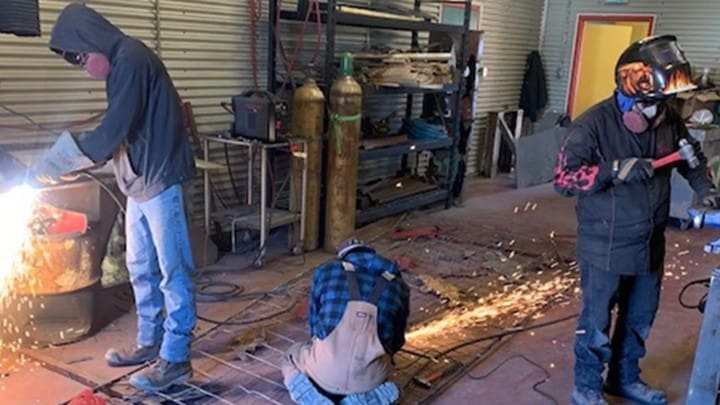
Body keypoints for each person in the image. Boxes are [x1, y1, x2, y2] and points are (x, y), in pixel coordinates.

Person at [31, 3, 197, 392]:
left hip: (160, 179)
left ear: (93, 40)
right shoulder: (121, 65)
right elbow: (122, 131)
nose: (85, 68)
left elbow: (113, 129)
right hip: (139, 182)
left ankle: (176, 359)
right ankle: (150, 341)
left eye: (82, 58)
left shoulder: (132, 58)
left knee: (174, 271)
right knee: (139, 266)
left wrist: (58, 160)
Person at [554, 35, 719, 405]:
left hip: (649, 242)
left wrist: (705, 188)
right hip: (605, 244)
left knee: (639, 317)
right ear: (632, 86)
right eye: (652, 104)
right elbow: (564, 181)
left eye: (664, 104)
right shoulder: (591, 125)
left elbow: (689, 157)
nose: (660, 112)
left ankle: (624, 379)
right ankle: (587, 388)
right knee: (596, 324)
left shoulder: (668, 120)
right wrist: (613, 170)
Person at [281, 239, 410, 405]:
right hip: (369, 381)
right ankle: (366, 399)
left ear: (344, 256)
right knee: (391, 381)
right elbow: (397, 341)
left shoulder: (326, 270)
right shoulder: (399, 285)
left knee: (291, 355)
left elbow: (314, 326)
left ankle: (314, 397)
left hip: (324, 375)